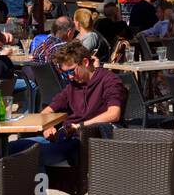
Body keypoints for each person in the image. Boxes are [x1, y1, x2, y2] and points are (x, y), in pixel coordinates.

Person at [10, 41, 125, 171]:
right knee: (8, 148)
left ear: (85, 62)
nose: (69, 77)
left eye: (71, 71)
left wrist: (79, 126)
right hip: (64, 137)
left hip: (83, 141)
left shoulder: (109, 80)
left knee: (33, 154)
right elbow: (47, 111)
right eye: (65, 74)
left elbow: (114, 114)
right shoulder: (72, 86)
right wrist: (48, 126)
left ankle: (38, 190)